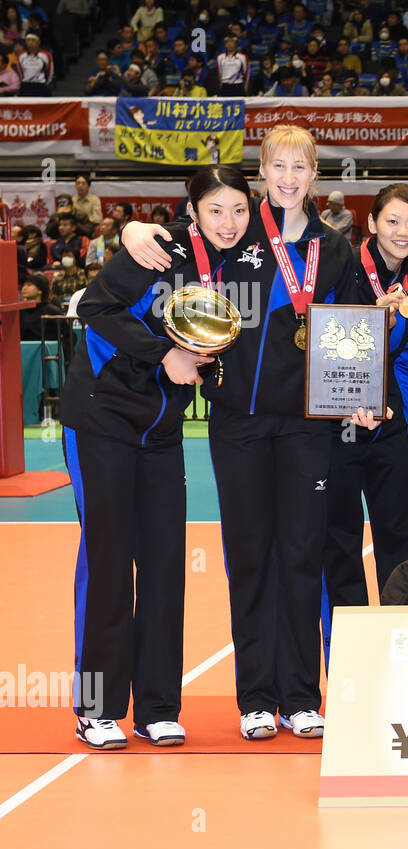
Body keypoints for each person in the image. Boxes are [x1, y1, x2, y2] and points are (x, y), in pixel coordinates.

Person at [120, 126, 358, 740]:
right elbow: (177, 238)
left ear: (314, 174)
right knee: (251, 558)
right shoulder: (237, 232)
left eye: (299, 167)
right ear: (262, 172)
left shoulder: (334, 249)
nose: (287, 178)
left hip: (309, 426)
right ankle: (256, 696)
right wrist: (132, 230)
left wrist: (363, 396)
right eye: (276, 167)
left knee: (303, 556)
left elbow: (354, 330)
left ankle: (302, 695)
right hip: (237, 424)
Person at [60, 165, 254, 749]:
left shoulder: (240, 267)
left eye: (239, 210)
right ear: (192, 211)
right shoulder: (159, 249)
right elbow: (95, 308)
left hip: (163, 431)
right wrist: (161, 356)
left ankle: (156, 707)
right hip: (102, 421)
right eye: (215, 210)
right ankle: (96, 708)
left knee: (167, 565)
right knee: (110, 561)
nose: (229, 221)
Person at [321, 184, 408, 662]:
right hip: (337, 426)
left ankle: (398, 651)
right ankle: (348, 658)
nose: (402, 232)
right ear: (372, 224)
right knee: (339, 541)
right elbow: (318, 341)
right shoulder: (341, 267)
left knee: (397, 538)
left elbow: (407, 363)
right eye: (392, 221)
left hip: (389, 428)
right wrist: (368, 320)